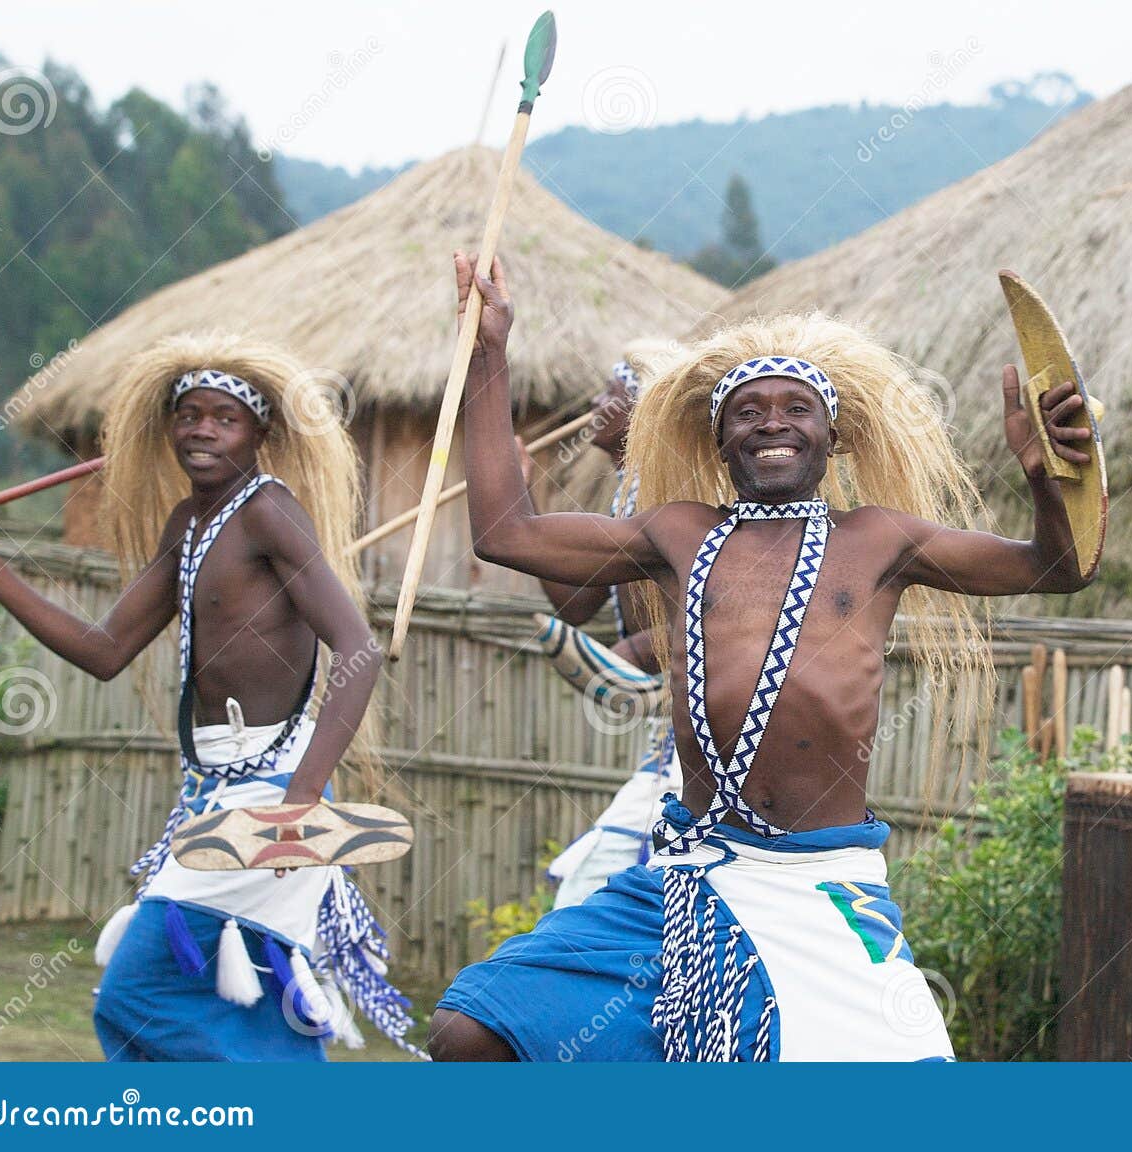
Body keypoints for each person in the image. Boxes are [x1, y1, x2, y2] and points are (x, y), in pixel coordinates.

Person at [430, 254, 1093, 1062]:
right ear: (719, 441)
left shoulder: (878, 539)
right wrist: (489, 357)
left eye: (795, 408)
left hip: (819, 880)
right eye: (746, 412)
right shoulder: (678, 534)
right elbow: (507, 535)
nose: (771, 422)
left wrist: (1046, 477)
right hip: (689, 876)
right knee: (472, 1033)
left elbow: (1056, 568)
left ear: (832, 434)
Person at [0, 334, 419, 1060]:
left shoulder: (268, 510)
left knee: (135, 995)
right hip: (213, 793)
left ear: (260, 433)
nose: (202, 430)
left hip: (273, 792)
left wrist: (301, 803)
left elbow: (359, 649)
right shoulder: (189, 523)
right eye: (188, 415)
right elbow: (105, 650)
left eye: (224, 417)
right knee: (242, 1015)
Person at [519, 345, 686, 908]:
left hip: (698, 737)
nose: (595, 403)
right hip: (671, 740)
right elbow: (575, 605)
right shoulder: (632, 496)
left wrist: (637, 650)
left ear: (640, 414)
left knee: (592, 895)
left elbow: (718, 608)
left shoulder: (672, 499)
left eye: (610, 394)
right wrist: (521, 491)